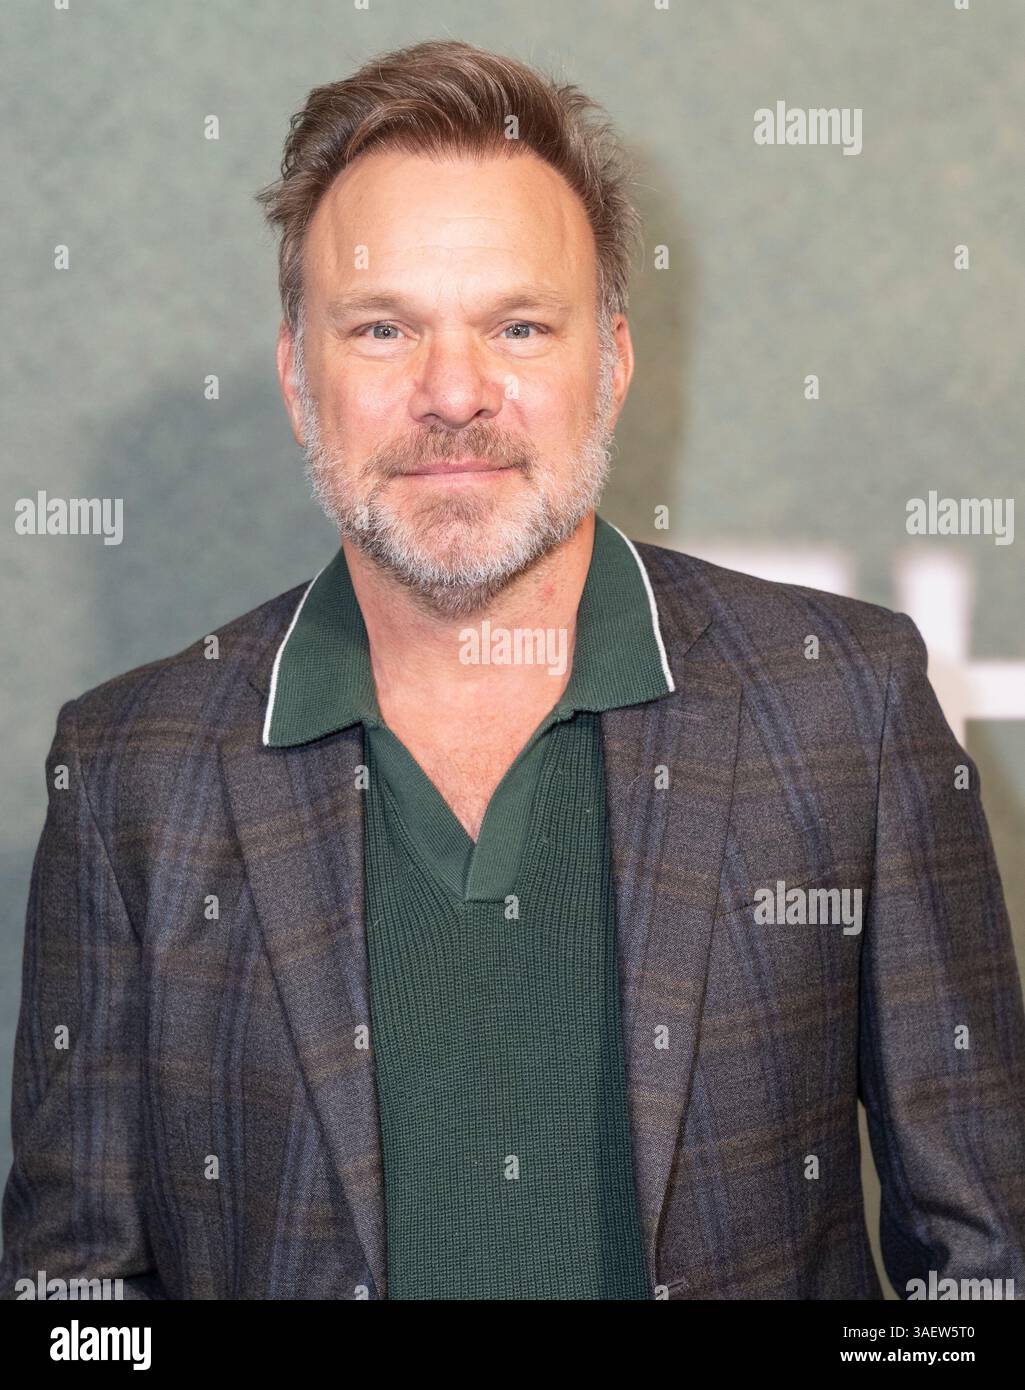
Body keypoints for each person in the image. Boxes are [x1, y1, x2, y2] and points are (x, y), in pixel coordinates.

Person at [2, 39, 1023, 1301]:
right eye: (382, 328)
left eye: (517, 324)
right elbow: (73, 1304)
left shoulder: (842, 705)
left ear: (611, 361)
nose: (452, 392)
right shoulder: (130, 774)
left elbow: (980, 1264)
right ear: (293, 377)